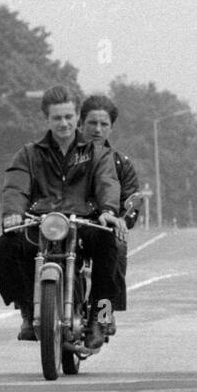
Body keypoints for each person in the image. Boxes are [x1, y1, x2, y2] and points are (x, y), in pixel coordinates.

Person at [0, 85, 125, 350]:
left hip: (83, 222)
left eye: (68, 117)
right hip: (41, 224)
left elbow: (107, 182)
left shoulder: (97, 153)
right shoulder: (29, 154)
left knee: (111, 246)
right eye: (57, 118)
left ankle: (99, 317)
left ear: (77, 117)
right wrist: (13, 214)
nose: (63, 123)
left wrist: (108, 211)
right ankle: (28, 311)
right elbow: (15, 186)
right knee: (3, 249)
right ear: (46, 120)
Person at [79, 94, 139, 331]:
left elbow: (132, 200)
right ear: (80, 124)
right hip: (71, 223)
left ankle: (105, 313)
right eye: (92, 123)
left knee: (117, 245)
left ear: (111, 128)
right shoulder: (67, 158)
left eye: (104, 124)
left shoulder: (121, 163)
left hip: (103, 226)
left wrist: (122, 221)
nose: (97, 129)